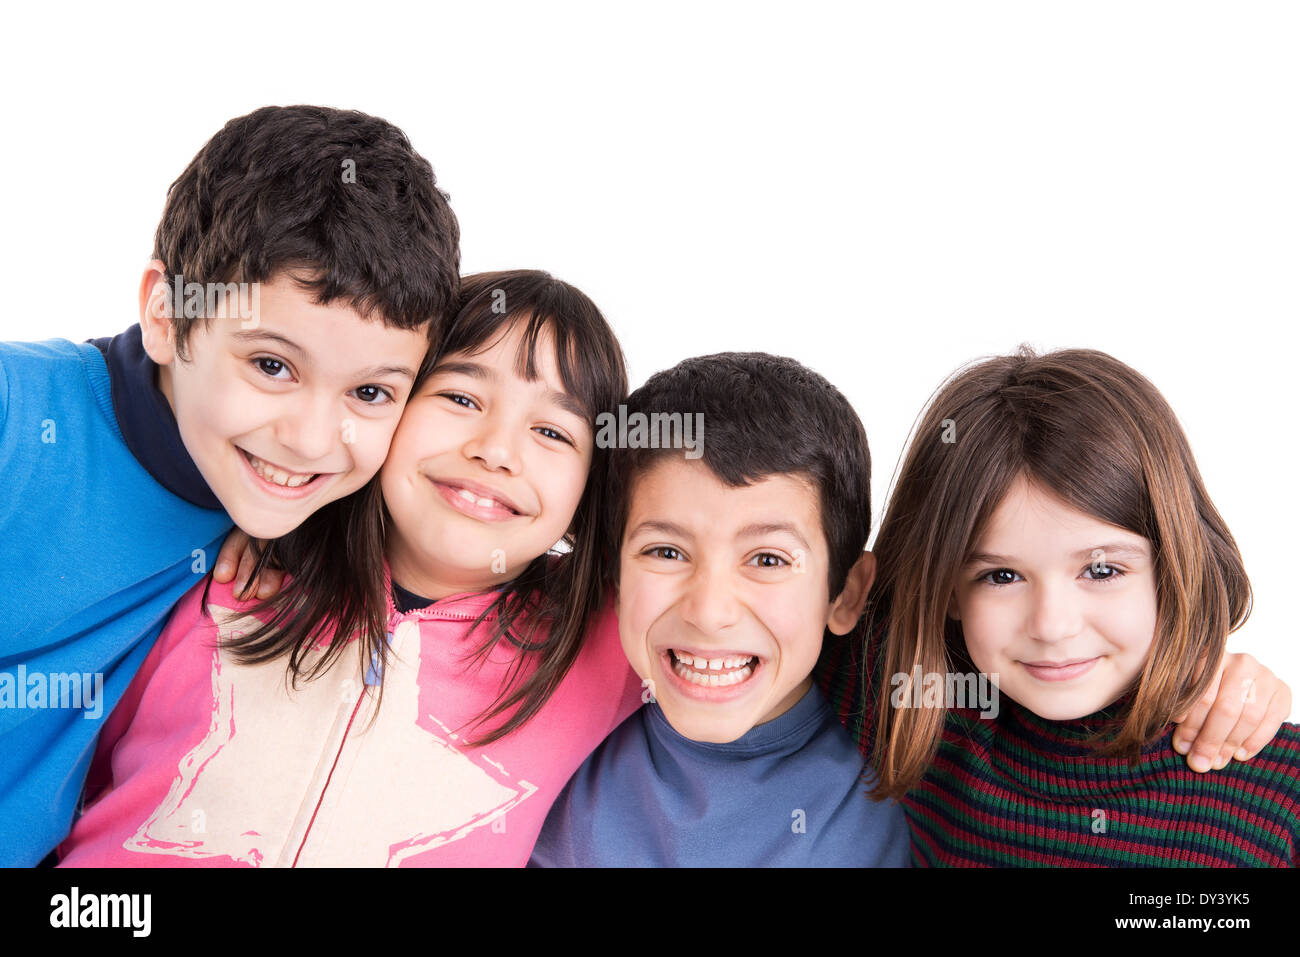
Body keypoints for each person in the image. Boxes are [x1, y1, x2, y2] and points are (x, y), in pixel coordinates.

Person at [0, 104, 459, 866]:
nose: (312, 439)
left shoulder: (296, 512)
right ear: (166, 314)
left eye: (370, 393)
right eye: (272, 366)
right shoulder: (20, 418)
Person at [57, 270, 643, 867]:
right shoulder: (220, 568)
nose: (495, 450)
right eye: (461, 398)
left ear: (589, 488)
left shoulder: (611, 642)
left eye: (551, 431)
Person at [828, 346, 1298, 865]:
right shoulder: (905, 704)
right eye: (1000, 576)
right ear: (947, 592)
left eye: (1101, 571)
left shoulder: (1278, 795)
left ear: (1174, 569)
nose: (1052, 626)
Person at [529, 353, 912, 866]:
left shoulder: (898, 796)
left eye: (768, 560)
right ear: (612, 572)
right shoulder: (547, 747)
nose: (709, 612)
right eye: (666, 552)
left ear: (843, 594)